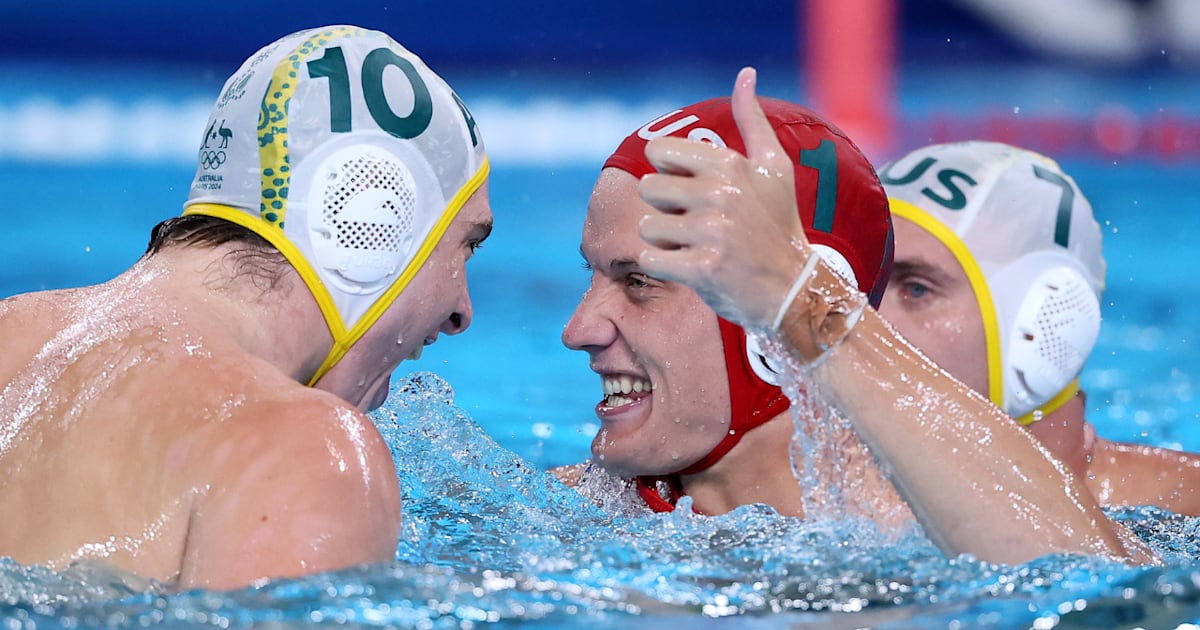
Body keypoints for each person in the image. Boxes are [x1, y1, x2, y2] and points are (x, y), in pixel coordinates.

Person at [558, 67, 1153, 565]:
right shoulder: (566, 515)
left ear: (762, 321)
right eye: (595, 275)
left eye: (640, 282)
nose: (578, 330)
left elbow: (1093, 590)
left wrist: (800, 303)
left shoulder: (925, 544)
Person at [0, 25, 492, 590]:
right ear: (375, 225)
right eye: (465, 246)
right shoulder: (307, 452)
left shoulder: (10, 332)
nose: (461, 311)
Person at [876, 140, 1200, 517]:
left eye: (917, 289)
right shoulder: (811, 491)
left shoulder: (1185, 510)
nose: (866, 319)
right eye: (866, 280)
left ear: (1044, 320)